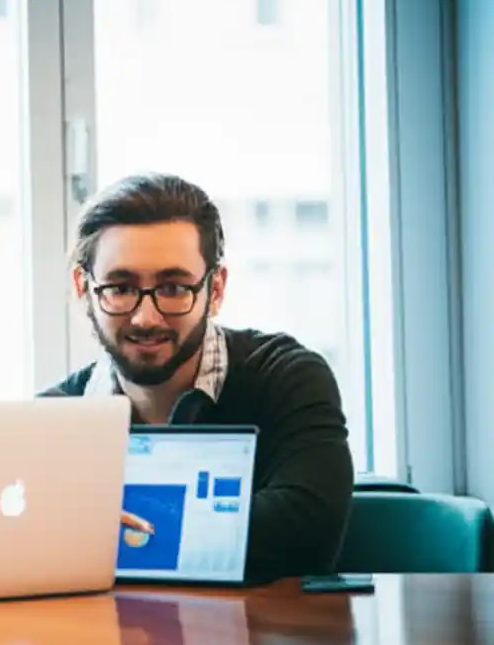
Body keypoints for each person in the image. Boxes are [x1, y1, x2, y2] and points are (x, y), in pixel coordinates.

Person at [41, 173, 353, 579]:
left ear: (216, 289)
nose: (145, 317)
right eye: (120, 287)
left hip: (260, 637)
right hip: (106, 636)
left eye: (172, 287)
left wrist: (100, 529)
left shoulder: (287, 378)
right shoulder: (53, 418)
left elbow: (307, 538)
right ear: (84, 288)